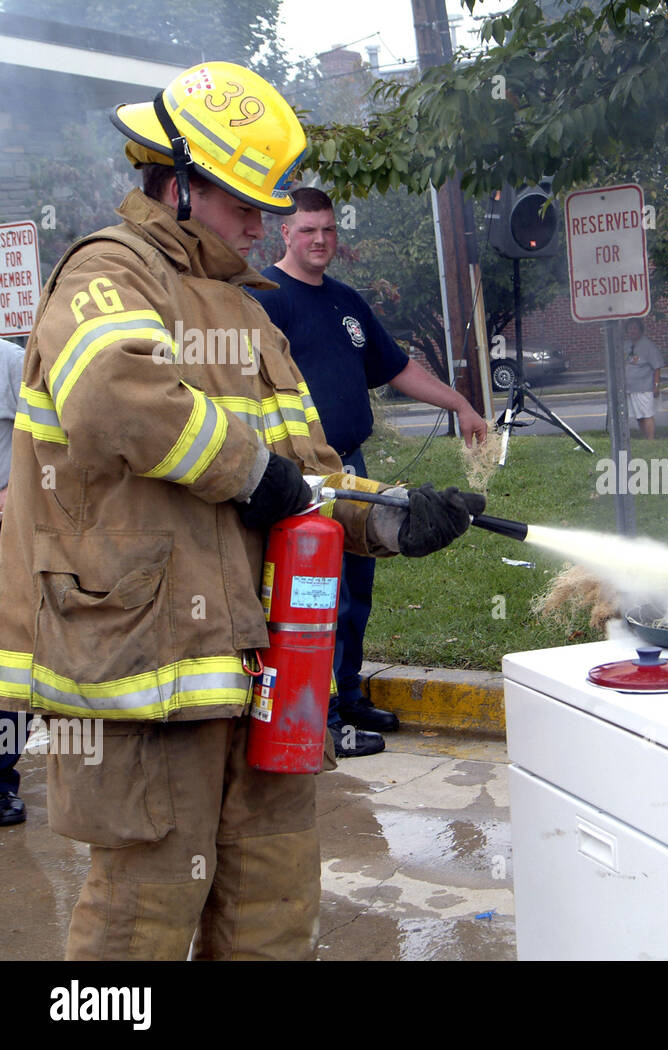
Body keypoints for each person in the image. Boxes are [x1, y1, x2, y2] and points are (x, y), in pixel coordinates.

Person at [0, 61, 485, 960]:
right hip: (146, 671)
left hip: (267, 672)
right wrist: (252, 472)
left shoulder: (252, 315)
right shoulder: (108, 274)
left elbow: (306, 477)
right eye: (241, 203)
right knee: (136, 924)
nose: (260, 225)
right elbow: (113, 394)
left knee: (271, 914)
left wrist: (387, 517)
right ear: (176, 183)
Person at [251, 188, 488, 758]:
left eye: (328, 230)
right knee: (313, 599)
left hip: (348, 468)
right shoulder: (263, 298)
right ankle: (323, 718)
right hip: (298, 477)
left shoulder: (347, 302)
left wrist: (458, 404)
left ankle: (350, 697)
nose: (319, 240)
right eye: (307, 230)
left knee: (356, 593)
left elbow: (397, 366)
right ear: (285, 233)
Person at [0, 337, 26, 826]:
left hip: (7, 530)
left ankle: (1, 783)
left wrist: (13, 486)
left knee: (9, 653)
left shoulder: (11, 362)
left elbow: (43, 433)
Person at [624, 317, 664, 438]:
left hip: (644, 388)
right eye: (630, 328)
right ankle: (645, 438)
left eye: (635, 328)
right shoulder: (626, 345)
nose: (632, 331)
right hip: (631, 388)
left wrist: (656, 386)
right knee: (638, 416)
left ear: (640, 330)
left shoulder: (648, 346)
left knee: (647, 415)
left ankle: (651, 440)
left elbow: (657, 367)